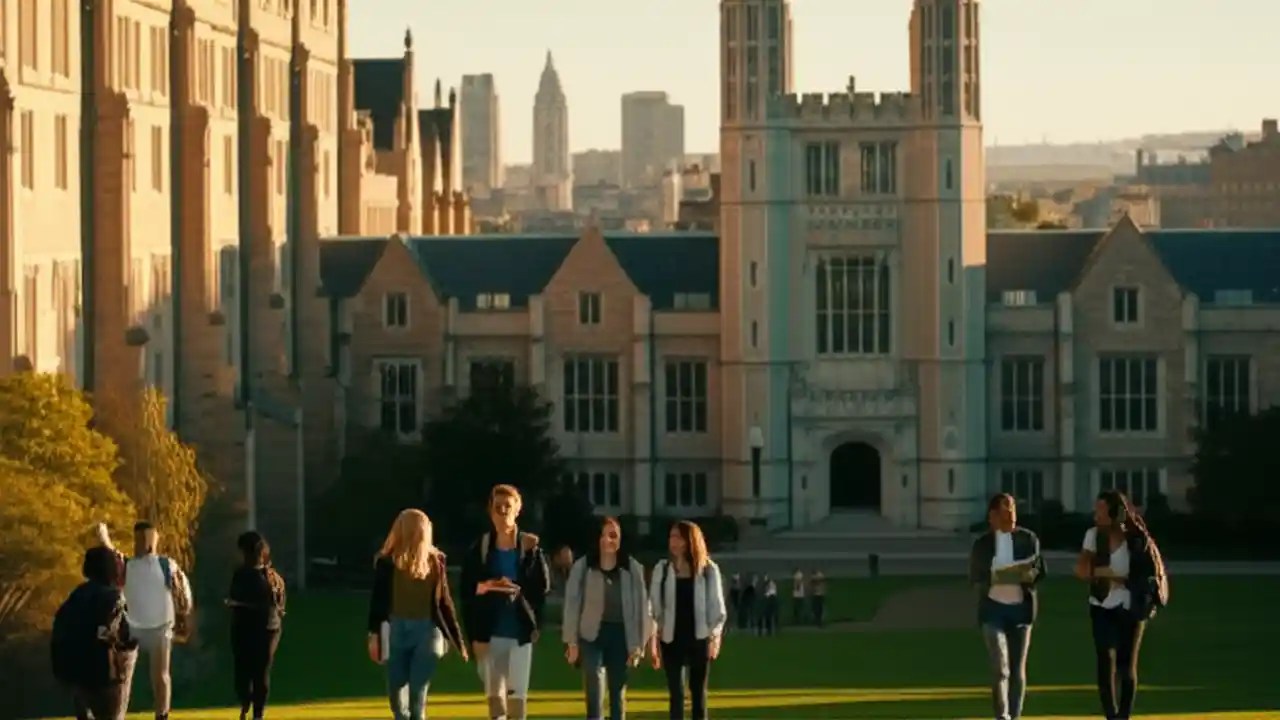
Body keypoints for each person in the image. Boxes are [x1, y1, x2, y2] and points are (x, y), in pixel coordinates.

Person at [1074, 490, 1169, 720]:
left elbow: (1144, 572)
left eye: (1101, 510)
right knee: (1105, 661)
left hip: (1130, 607)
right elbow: (1081, 570)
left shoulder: (1136, 539)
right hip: (1101, 604)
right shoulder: (1094, 536)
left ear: (1115, 512)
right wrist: (1106, 573)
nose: (1096, 515)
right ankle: (1110, 714)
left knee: (1127, 665)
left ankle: (1124, 715)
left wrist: (1116, 576)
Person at [367, 509, 468, 720]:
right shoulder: (386, 562)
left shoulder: (436, 561)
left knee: (417, 694)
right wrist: (373, 635)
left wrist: (457, 641)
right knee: (396, 693)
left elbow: (444, 603)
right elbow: (377, 602)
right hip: (395, 629)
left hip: (427, 632)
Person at [460, 485, 550, 720]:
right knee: (496, 703)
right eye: (497, 507)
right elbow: (466, 594)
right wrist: (487, 587)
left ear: (517, 510)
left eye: (507, 507)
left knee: (517, 701)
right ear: (490, 511)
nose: (502, 512)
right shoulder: (479, 549)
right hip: (490, 634)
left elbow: (541, 590)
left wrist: (521, 596)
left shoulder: (529, 548)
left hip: (519, 632)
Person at [562, 516, 653, 720]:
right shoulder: (583, 566)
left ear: (620, 539)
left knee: (617, 689)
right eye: (602, 535)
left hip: (621, 634)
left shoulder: (632, 568)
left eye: (613, 536)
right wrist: (572, 642)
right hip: (591, 634)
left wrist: (638, 644)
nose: (607, 541)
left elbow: (642, 608)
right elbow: (572, 604)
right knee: (594, 680)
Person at [968, 493, 1046, 720]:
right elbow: (976, 576)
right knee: (1000, 666)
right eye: (1005, 510)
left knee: (1017, 669)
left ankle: (1015, 714)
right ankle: (1002, 715)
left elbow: (1040, 570)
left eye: (1013, 509)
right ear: (992, 516)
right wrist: (996, 576)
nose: (1011, 515)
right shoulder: (983, 544)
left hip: (1020, 610)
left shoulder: (1028, 539)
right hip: (993, 610)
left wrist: (1028, 574)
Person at [648, 520, 727, 720]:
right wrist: (653, 642)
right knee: (676, 696)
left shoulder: (708, 570)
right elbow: (653, 609)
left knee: (698, 696)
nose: (673, 542)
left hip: (699, 639)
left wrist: (715, 637)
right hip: (671, 639)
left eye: (678, 537)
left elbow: (717, 609)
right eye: (671, 537)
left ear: (689, 540)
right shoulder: (663, 569)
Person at [52, 546, 139, 720]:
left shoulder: (76, 596)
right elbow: (117, 634)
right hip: (105, 674)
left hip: (78, 676)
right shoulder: (114, 597)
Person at [123, 521, 193, 720]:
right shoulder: (128, 566)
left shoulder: (166, 565)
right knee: (125, 675)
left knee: (160, 674)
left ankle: (162, 714)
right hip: (133, 625)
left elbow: (182, 591)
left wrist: (183, 614)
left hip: (161, 626)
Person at [226, 531, 287, 720]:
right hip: (249, 628)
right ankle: (247, 702)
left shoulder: (266, 577)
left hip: (265, 628)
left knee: (259, 670)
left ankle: (257, 712)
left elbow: (275, 603)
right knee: (246, 671)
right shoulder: (245, 574)